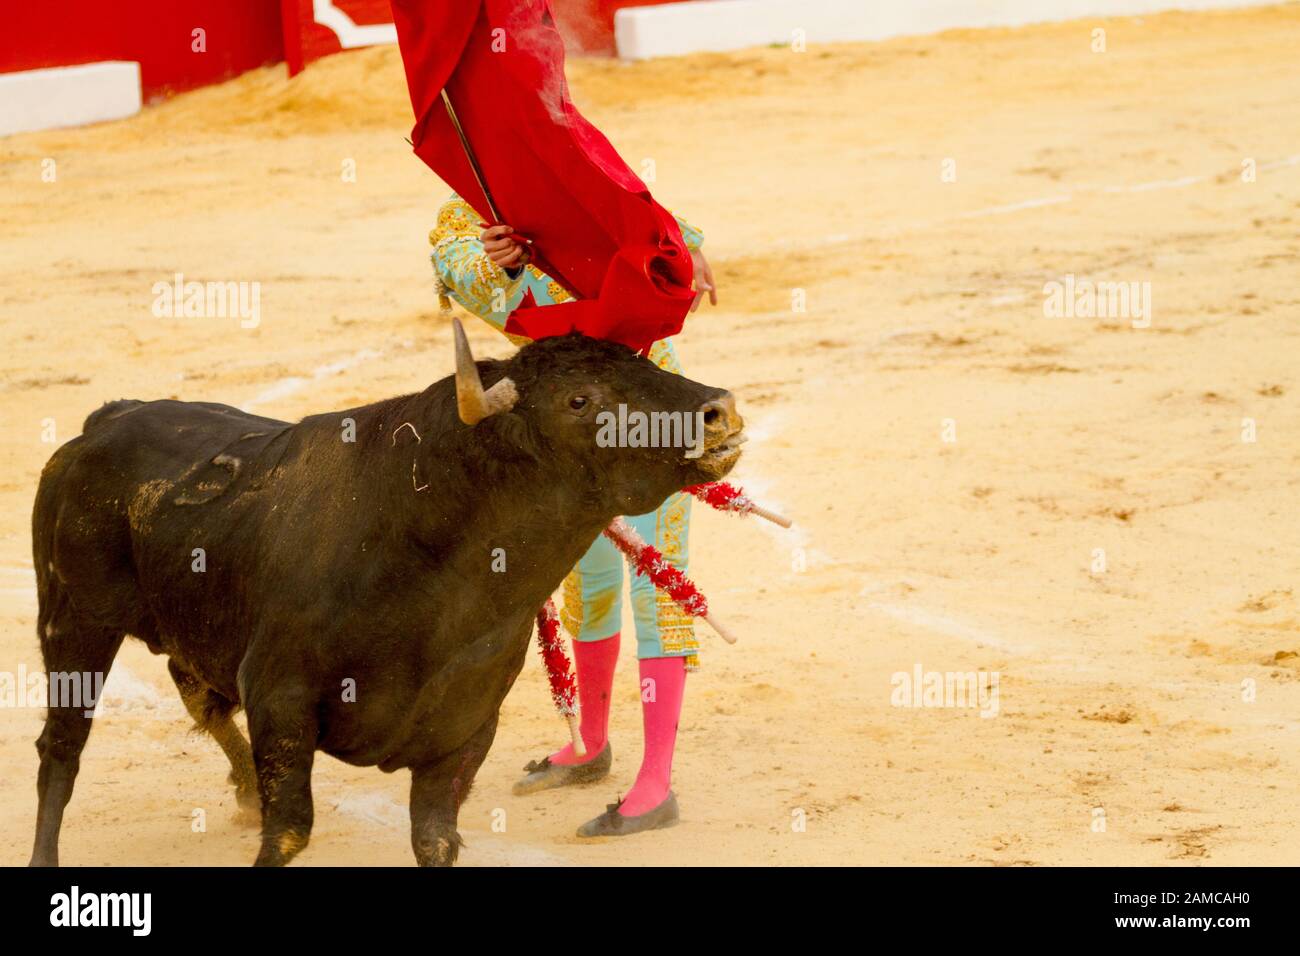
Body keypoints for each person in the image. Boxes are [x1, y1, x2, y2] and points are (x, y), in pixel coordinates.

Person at [429, 193, 717, 836]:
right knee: (588, 580)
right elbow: (486, 292)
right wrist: (504, 268)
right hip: (569, 430)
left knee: (655, 587)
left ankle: (657, 782)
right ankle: (590, 743)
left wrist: (685, 239)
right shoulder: (457, 222)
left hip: (649, 411)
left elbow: (626, 200)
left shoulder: (552, 174)